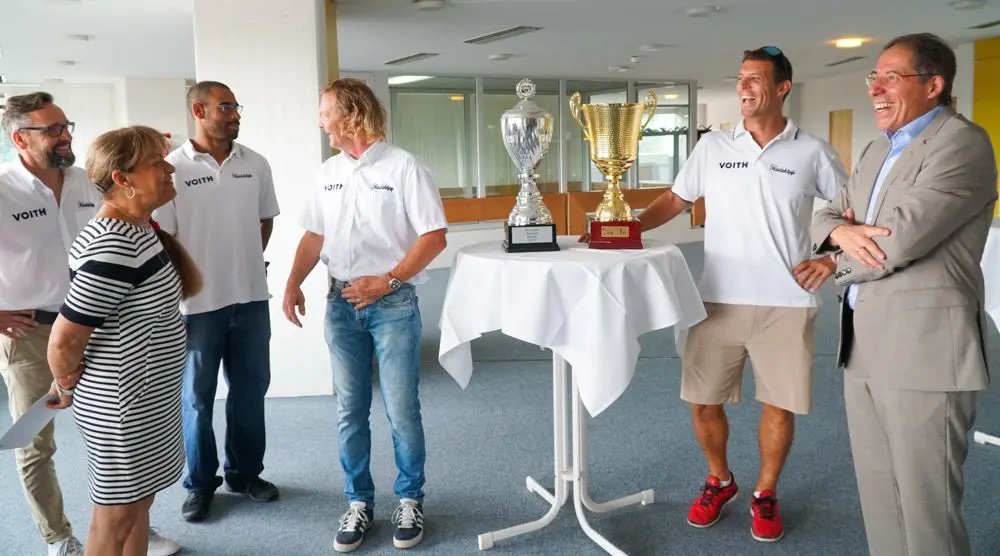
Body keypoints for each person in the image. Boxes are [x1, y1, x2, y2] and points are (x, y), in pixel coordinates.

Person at [603, 47, 846, 542]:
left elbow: (848, 213)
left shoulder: (813, 151)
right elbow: (676, 199)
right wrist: (623, 228)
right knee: (701, 401)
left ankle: (765, 491)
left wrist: (831, 260)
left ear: (782, 88)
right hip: (715, 300)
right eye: (740, 79)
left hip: (788, 301)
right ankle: (720, 479)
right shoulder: (713, 146)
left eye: (755, 79)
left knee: (778, 405)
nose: (744, 87)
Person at [811, 33, 996, 556]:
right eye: (873, 77)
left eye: (892, 77)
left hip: (925, 352)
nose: (876, 88)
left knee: (926, 510)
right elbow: (826, 212)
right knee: (880, 499)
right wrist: (839, 232)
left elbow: (896, 242)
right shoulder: (876, 149)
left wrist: (831, 256)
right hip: (863, 347)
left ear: (934, 85)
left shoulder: (963, 143)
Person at [0, 94, 181, 556]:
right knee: (38, 445)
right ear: (20, 138)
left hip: (103, 333)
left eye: (67, 126)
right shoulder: (3, 188)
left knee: (130, 500)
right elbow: (69, 331)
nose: (66, 136)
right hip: (36, 330)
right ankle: (58, 537)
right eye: (52, 129)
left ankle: (130, 518)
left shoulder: (86, 183)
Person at [283, 78, 447, 552]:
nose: (320, 121)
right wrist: (293, 282)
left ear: (351, 114)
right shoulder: (328, 171)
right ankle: (359, 502)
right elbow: (315, 235)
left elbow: (433, 236)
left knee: (401, 410)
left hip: (393, 305)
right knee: (349, 411)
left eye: (324, 111)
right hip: (340, 304)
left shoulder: (404, 167)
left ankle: (410, 499)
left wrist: (390, 280)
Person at [45, 125, 201, 556]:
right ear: (123, 178)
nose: (170, 169)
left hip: (146, 398)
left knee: (137, 505)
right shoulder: (113, 243)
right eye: (157, 163)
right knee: (114, 517)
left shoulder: (138, 230)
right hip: (121, 405)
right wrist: (64, 382)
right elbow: (63, 341)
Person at [152, 80, 281, 522]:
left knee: (250, 391)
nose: (235, 114)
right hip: (197, 304)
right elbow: (164, 238)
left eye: (236, 106)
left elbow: (264, 222)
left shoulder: (256, 164)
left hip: (250, 297)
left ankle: (245, 473)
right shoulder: (171, 168)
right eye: (225, 106)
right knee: (198, 399)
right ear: (198, 111)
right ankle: (200, 483)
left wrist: (245, 261)